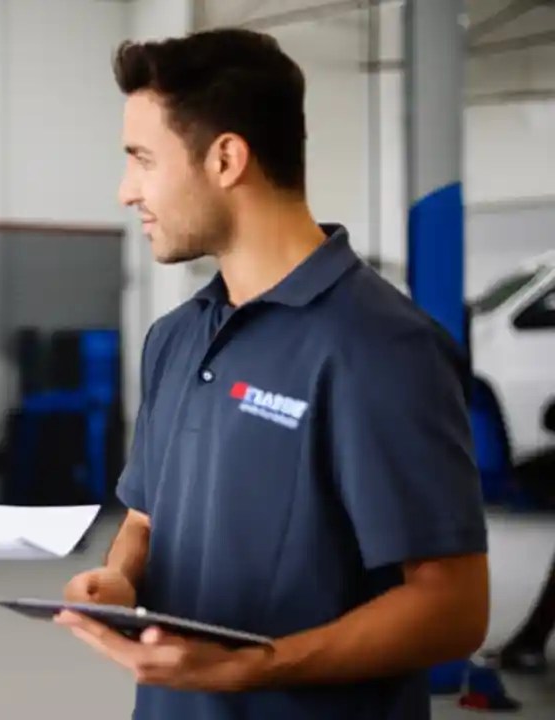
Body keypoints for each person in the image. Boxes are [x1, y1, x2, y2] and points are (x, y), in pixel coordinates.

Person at [58, 29, 490, 720]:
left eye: (142, 159)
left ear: (226, 158)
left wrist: (251, 668)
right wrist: (118, 579)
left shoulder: (381, 346)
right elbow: (145, 517)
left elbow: (453, 607)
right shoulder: (175, 337)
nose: (126, 191)